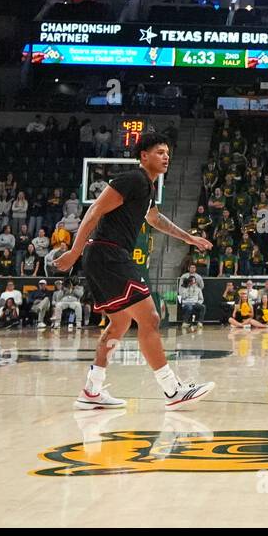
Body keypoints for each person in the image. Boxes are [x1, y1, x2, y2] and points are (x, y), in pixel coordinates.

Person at [53, 133, 216, 410]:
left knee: (119, 324)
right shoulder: (133, 179)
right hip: (108, 253)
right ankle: (172, 389)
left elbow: (155, 219)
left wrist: (189, 238)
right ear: (144, 156)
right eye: (160, 152)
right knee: (150, 318)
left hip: (106, 256)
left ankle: (92, 390)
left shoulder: (146, 188)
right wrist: (73, 251)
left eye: (167, 153)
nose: (166, 157)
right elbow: (94, 210)